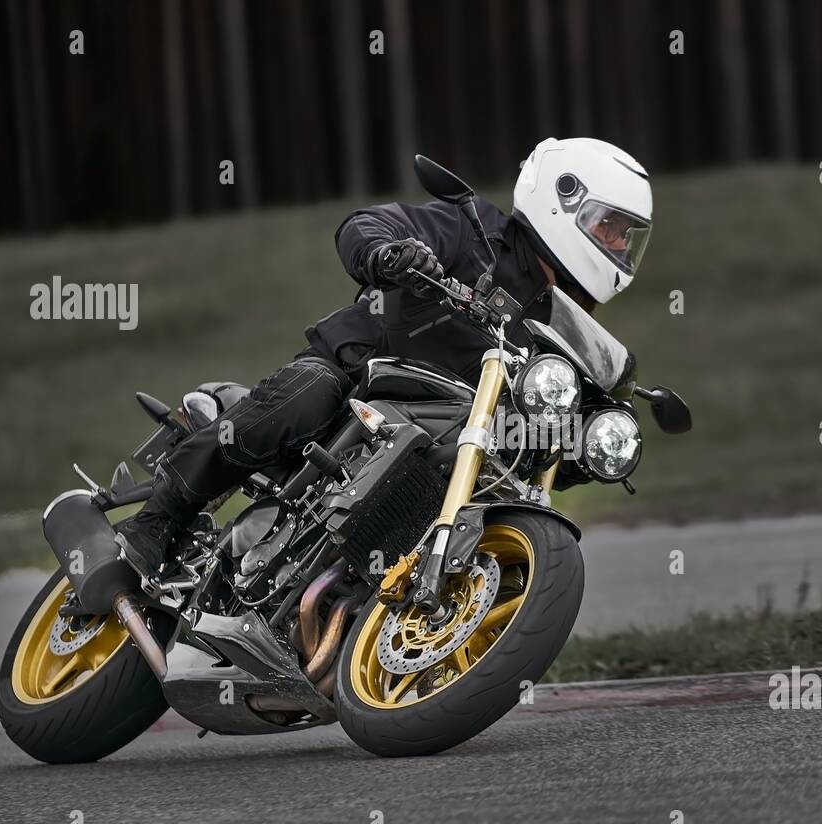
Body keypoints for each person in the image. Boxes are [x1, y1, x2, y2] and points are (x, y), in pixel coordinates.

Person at [115, 136, 653, 578]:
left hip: (443, 451)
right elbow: (364, 225)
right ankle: (160, 518)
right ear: (564, 201)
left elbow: (540, 449)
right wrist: (387, 251)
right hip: (357, 383)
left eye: (627, 236)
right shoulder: (473, 233)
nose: (617, 245)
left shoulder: (567, 332)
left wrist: (586, 444)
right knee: (307, 395)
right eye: (609, 226)